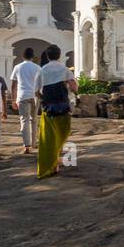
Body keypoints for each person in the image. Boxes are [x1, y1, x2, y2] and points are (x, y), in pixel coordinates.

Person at [36, 43, 77, 180]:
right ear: (59, 55)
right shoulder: (65, 69)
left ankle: (50, 167)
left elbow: (36, 91)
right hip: (63, 108)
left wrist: (43, 98)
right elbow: (74, 87)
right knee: (61, 135)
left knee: (48, 139)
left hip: (48, 109)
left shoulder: (42, 70)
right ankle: (57, 163)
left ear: (47, 56)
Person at [9, 47, 41, 156]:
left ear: (23, 56)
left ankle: (26, 146)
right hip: (35, 96)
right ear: (32, 57)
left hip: (22, 96)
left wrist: (13, 99)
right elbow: (41, 83)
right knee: (34, 119)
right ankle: (33, 143)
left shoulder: (18, 67)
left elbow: (13, 85)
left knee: (24, 120)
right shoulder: (37, 67)